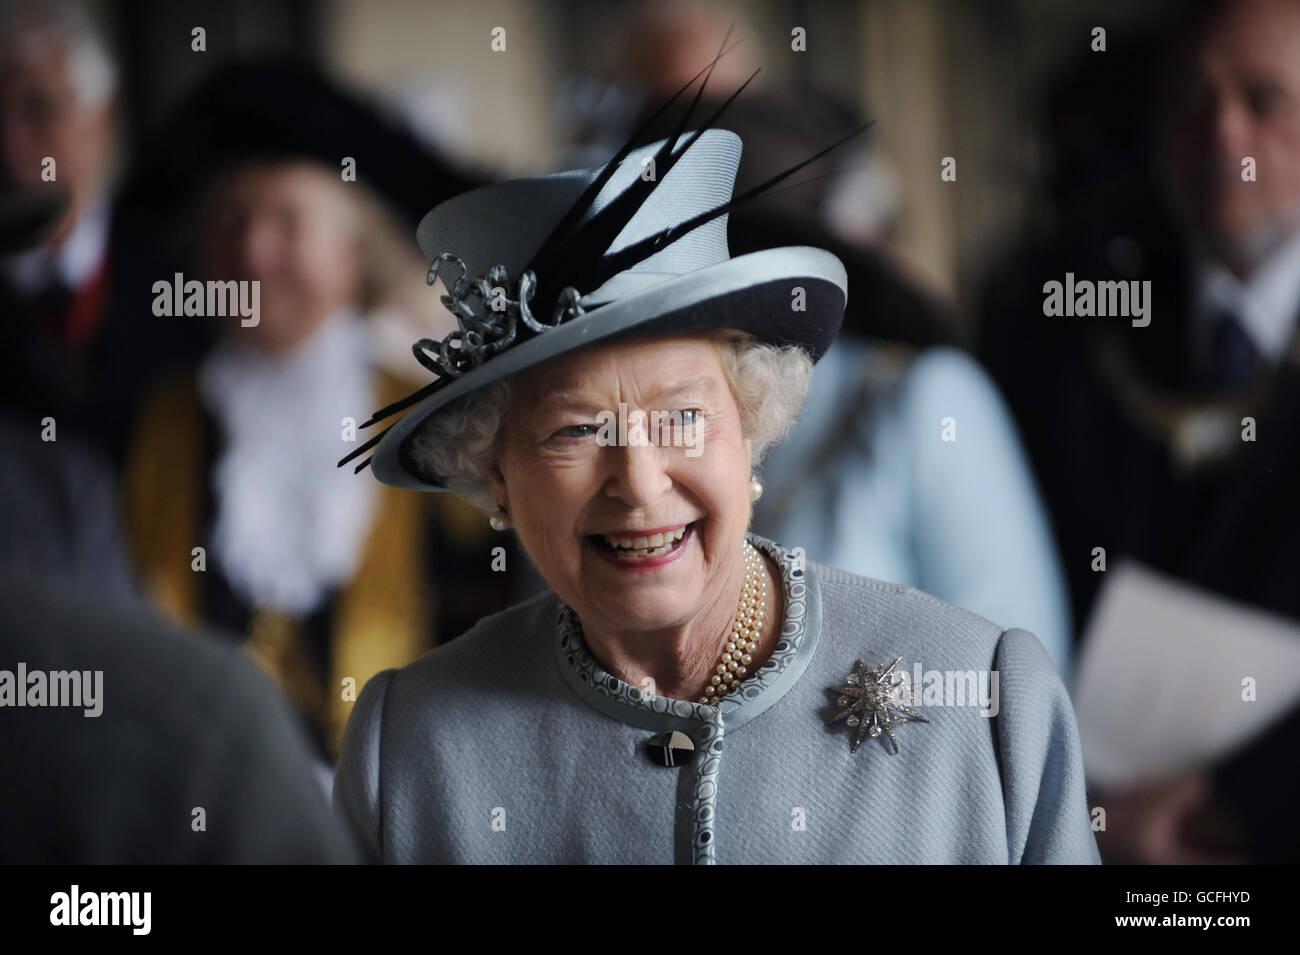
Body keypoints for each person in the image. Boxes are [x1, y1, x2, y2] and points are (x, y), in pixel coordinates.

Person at [332, 73, 1100, 864]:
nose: (639, 480)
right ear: (495, 474)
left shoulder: (988, 698)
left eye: (682, 416)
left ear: (752, 425)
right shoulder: (412, 748)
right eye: (575, 428)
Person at [119, 62, 527, 763]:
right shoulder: (159, 420)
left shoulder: (436, 416)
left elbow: (493, 630)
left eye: (286, 221)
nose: (251, 251)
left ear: (352, 251)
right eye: (229, 222)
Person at [978, 0, 1300, 862]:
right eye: (1193, 101)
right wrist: (1090, 801)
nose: (1223, 132)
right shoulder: (1062, 326)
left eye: (1265, 101)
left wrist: (1238, 807)